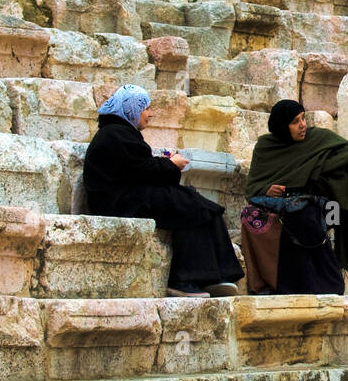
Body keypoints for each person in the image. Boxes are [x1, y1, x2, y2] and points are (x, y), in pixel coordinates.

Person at [83, 84, 244, 298]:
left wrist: (166, 165)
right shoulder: (116, 134)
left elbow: (139, 168)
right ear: (131, 109)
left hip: (128, 196)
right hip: (119, 202)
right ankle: (183, 280)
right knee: (189, 204)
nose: (150, 114)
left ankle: (216, 276)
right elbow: (143, 170)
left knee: (197, 204)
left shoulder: (118, 132)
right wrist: (172, 164)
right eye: (146, 108)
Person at [241, 99, 348, 295]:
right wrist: (266, 189)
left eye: (303, 118)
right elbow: (253, 187)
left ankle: (328, 284)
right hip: (278, 204)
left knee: (303, 217)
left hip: (323, 203)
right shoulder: (265, 146)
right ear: (282, 127)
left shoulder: (318, 138)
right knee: (250, 216)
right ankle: (270, 283)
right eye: (295, 122)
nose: (303, 125)